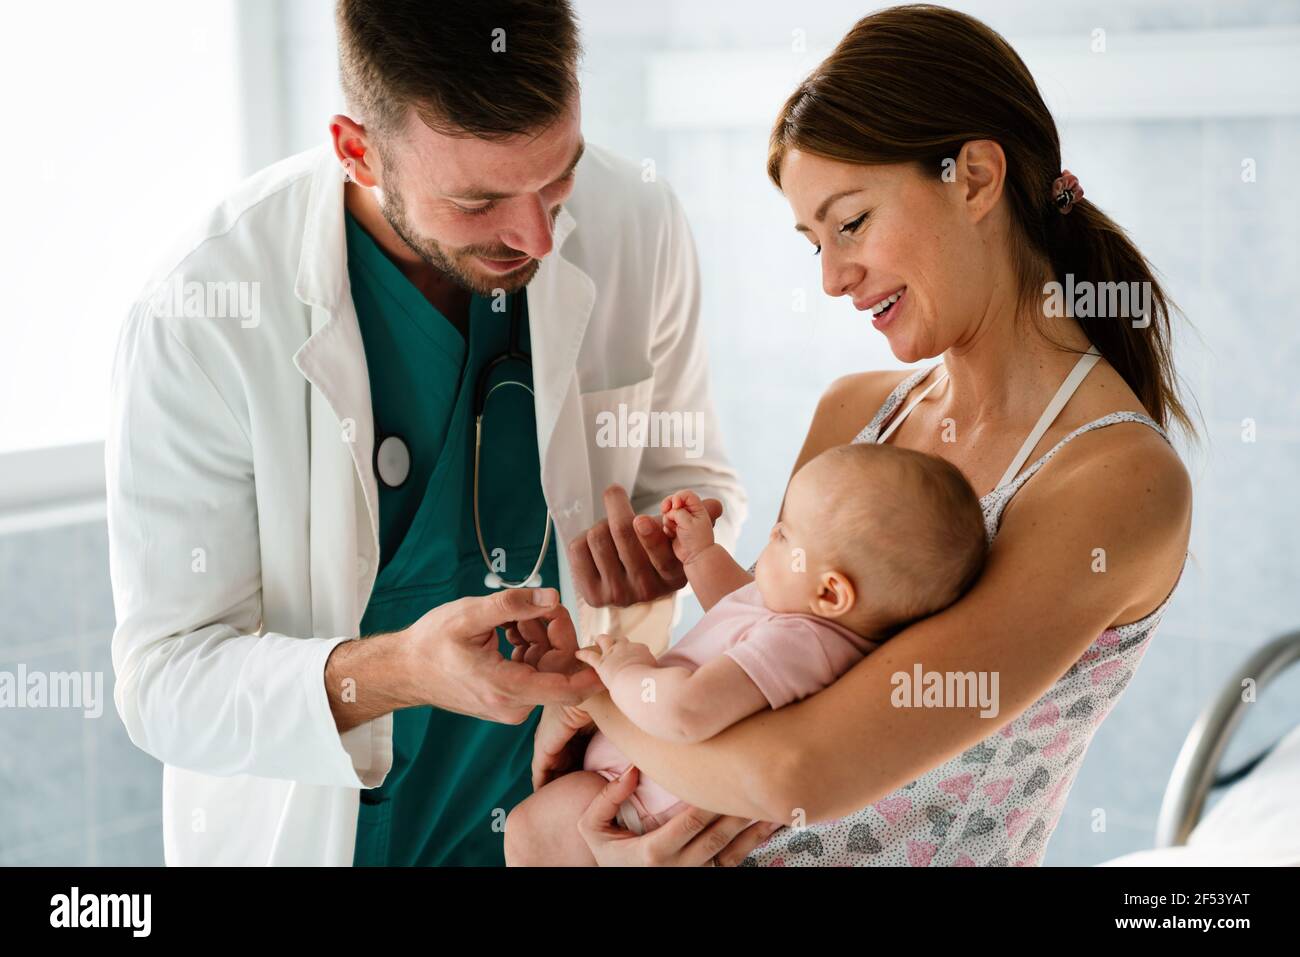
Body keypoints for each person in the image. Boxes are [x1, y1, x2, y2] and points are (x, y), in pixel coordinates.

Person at [531, 4, 1194, 867]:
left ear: (976, 178)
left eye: (850, 223)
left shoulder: (1113, 481)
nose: (836, 280)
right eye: (814, 244)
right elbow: (770, 655)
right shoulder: (857, 414)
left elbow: (793, 767)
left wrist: (603, 692)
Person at [105, 0, 749, 866]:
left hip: (568, 826)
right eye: (477, 200)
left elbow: (693, 471)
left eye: (558, 180)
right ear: (356, 149)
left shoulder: (639, 221)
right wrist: (403, 670)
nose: (537, 237)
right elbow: (165, 683)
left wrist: (669, 552)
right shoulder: (204, 312)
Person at [504, 443, 988, 864]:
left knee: (527, 834)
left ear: (831, 593)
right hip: (630, 779)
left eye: (782, 534)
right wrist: (699, 555)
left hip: (636, 809)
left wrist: (621, 672)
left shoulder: (802, 645)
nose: (770, 538)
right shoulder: (800, 620)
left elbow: (685, 711)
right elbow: (738, 609)